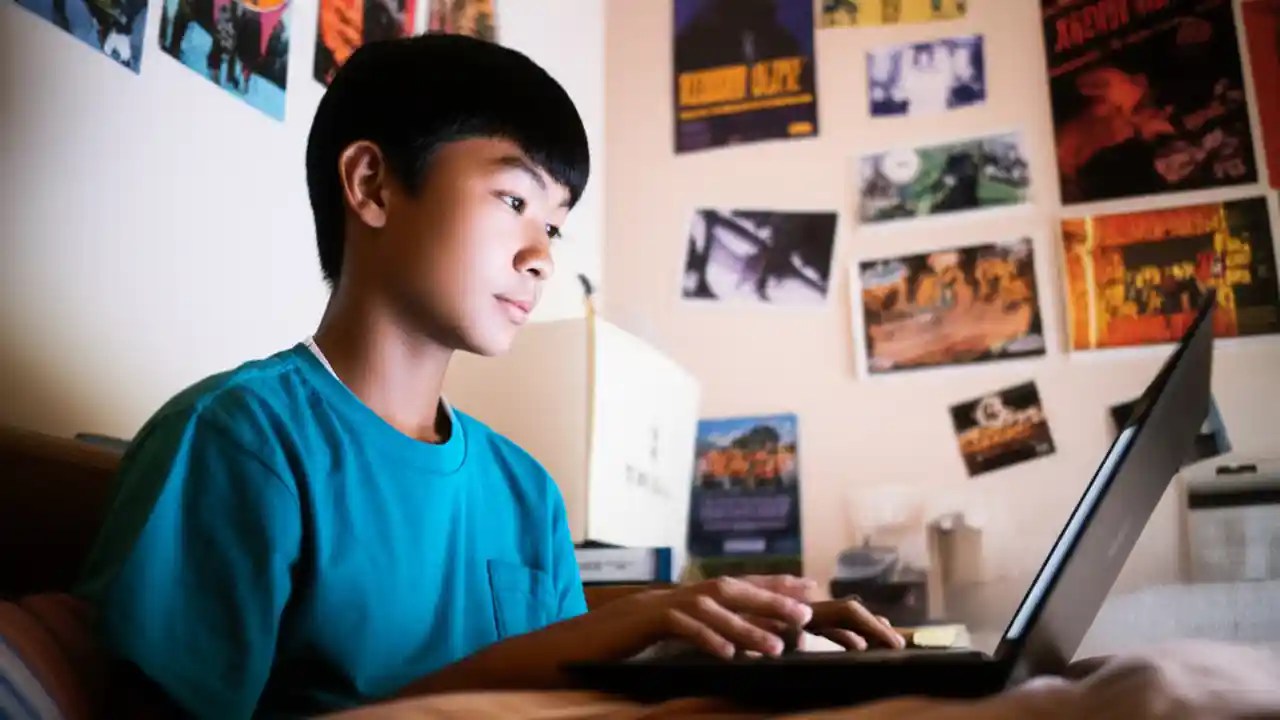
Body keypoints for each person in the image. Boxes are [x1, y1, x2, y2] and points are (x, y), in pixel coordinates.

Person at [72, 35, 902, 720]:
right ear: (372, 185)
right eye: (513, 201)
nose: (541, 256)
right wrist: (606, 629)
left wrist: (727, 637)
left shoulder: (527, 492)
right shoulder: (242, 441)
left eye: (555, 225)